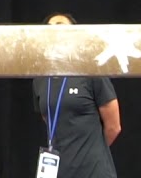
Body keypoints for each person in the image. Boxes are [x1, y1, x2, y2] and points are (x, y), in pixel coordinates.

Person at [32, 13, 122, 177]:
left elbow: (114, 126)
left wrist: (89, 153)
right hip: (61, 171)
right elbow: (50, 119)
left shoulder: (91, 71)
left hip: (93, 171)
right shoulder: (40, 78)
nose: (57, 33)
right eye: (51, 29)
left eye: (62, 28)